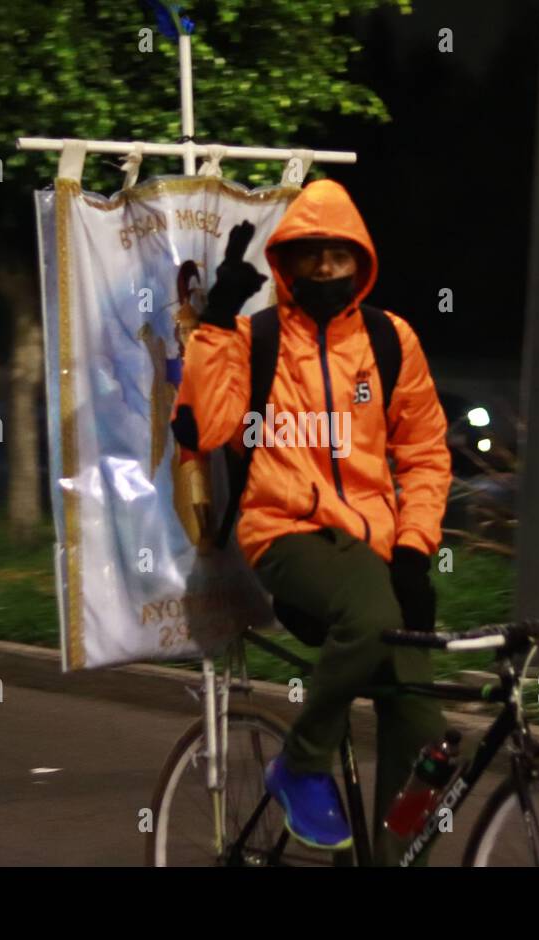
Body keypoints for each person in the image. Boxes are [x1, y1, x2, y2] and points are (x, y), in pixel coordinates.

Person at [171, 179, 452, 865]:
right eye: (311, 254)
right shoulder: (252, 337)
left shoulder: (390, 340)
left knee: (425, 728)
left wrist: (415, 548)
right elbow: (203, 427)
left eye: (339, 254)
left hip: (378, 547)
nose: (326, 267)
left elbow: (424, 453)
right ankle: (300, 764)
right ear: (286, 262)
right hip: (284, 532)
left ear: (362, 260)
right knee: (367, 603)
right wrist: (217, 318)